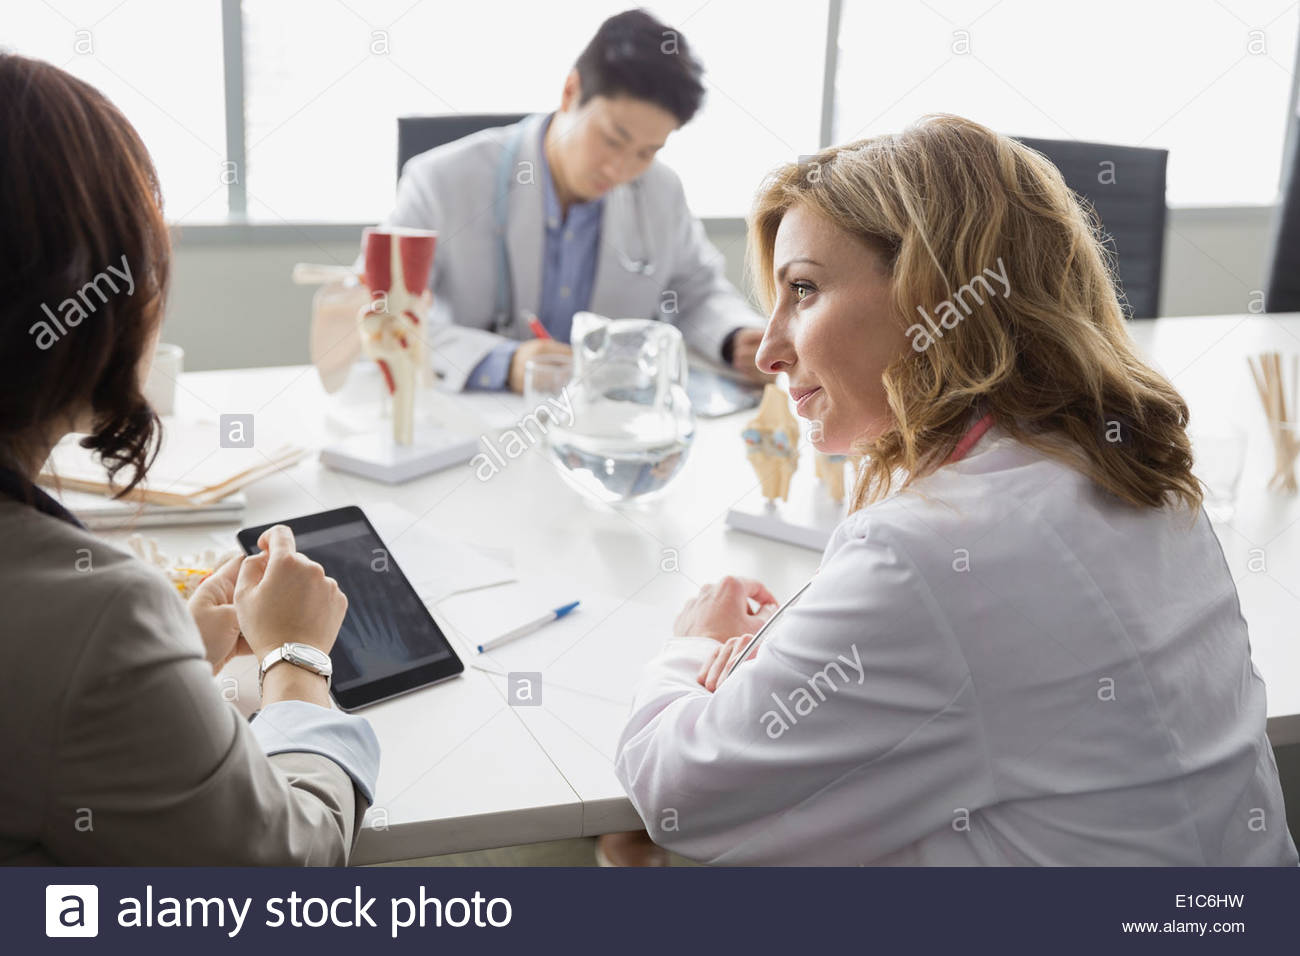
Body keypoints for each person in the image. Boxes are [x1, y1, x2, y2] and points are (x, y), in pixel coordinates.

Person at [614, 114, 1300, 866]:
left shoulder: (929, 551)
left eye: (803, 290)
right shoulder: (1128, 464)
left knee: (632, 853)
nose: (771, 348)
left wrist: (696, 645)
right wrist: (811, 650)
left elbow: (675, 788)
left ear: (929, 297)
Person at [0, 53, 380, 865]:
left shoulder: (89, 623)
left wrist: (163, 662)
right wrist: (297, 658)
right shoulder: (88, 617)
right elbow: (284, 879)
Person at [375, 8, 765, 393]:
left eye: (647, 151)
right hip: (471, 421)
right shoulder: (440, 180)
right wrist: (502, 362)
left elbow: (697, 292)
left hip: (605, 425)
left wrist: (734, 336)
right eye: (612, 139)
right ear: (570, 92)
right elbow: (382, 313)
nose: (619, 169)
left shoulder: (661, 190)